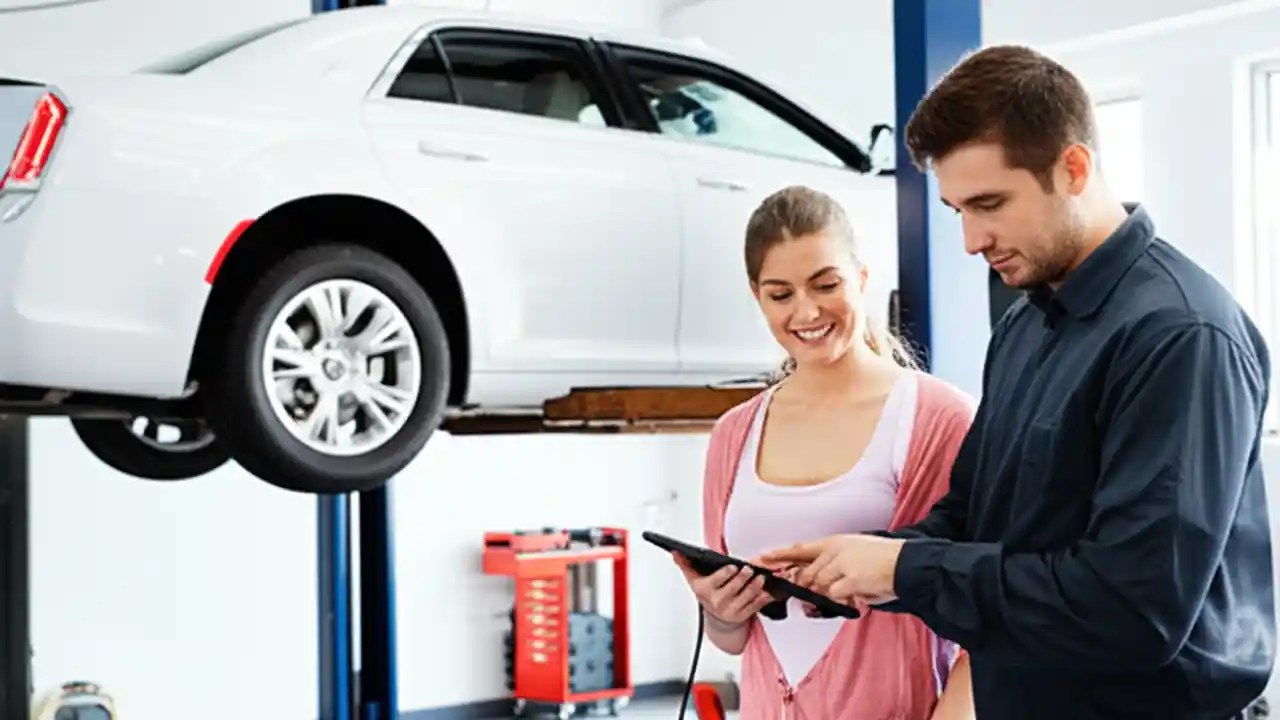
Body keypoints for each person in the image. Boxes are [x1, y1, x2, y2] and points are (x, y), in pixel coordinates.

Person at [758, 45, 1276, 720]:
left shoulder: (1179, 336)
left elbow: (1134, 609)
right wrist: (863, 562)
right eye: (958, 212)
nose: (973, 239)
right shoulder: (1026, 322)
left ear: (1074, 168)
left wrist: (905, 572)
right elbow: (975, 518)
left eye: (990, 204)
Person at [673, 185, 977, 719]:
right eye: (780, 294)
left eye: (826, 284)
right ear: (757, 296)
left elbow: (989, 609)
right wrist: (721, 612)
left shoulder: (938, 418)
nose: (806, 311)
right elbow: (734, 639)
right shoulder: (734, 434)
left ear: (861, 278)